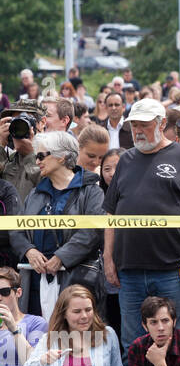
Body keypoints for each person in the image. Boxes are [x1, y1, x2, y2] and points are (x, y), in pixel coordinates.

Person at [102, 98, 180, 346]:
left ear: (162, 123)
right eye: (134, 126)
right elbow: (110, 214)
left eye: (144, 125)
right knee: (132, 342)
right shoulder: (126, 161)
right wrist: (108, 258)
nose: (138, 131)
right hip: (128, 270)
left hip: (172, 269)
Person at [10, 131, 104, 319]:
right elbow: (16, 229)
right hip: (36, 279)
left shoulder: (92, 191)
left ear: (62, 157)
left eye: (41, 156)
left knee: (74, 336)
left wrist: (61, 257)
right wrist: (29, 250)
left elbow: (93, 230)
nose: (37, 161)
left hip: (76, 279)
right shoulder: (35, 193)